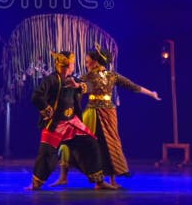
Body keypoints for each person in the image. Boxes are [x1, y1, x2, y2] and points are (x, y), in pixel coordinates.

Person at [53, 45, 160, 188]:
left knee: (109, 145)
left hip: (108, 114)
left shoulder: (112, 75)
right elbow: (81, 85)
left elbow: (133, 86)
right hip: (92, 113)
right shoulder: (88, 76)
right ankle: (64, 177)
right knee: (73, 140)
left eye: (87, 61)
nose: (85, 64)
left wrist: (151, 94)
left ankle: (112, 181)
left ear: (96, 62)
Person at [26, 50, 116, 190]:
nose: (70, 67)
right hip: (55, 124)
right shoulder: (51, 80)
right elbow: (37, 96)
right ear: (65, 66)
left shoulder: (74, 80)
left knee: (91, 144)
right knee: (46, 155)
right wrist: (47, 109)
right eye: (70, 65)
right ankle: (36, 183)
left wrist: (78, 86)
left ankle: (99, 182)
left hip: (72, 124)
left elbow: (90, 86)